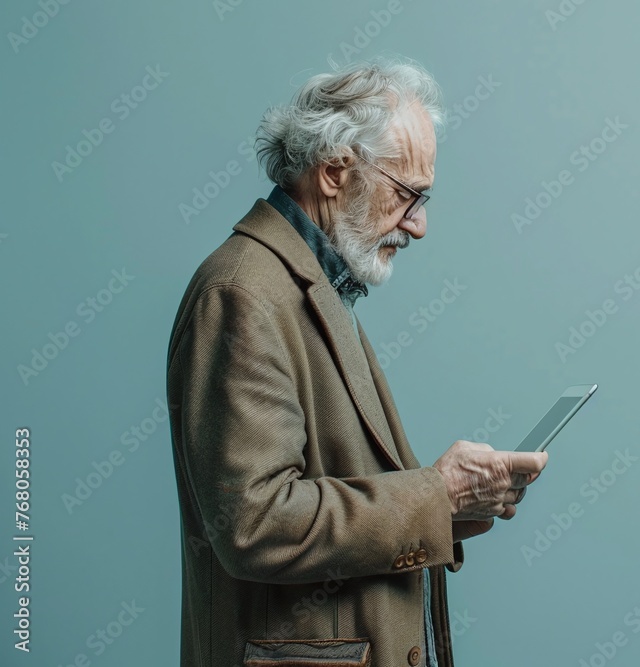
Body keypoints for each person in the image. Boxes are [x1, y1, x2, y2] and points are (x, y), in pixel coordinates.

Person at [165, 56, 549, 667]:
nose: (419, 226)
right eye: (407, 195)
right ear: (336, 173)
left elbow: (334, 488)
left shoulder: (309, 281)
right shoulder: (243, 292)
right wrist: (434, 497)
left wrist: (452, 508)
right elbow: (254, 523)